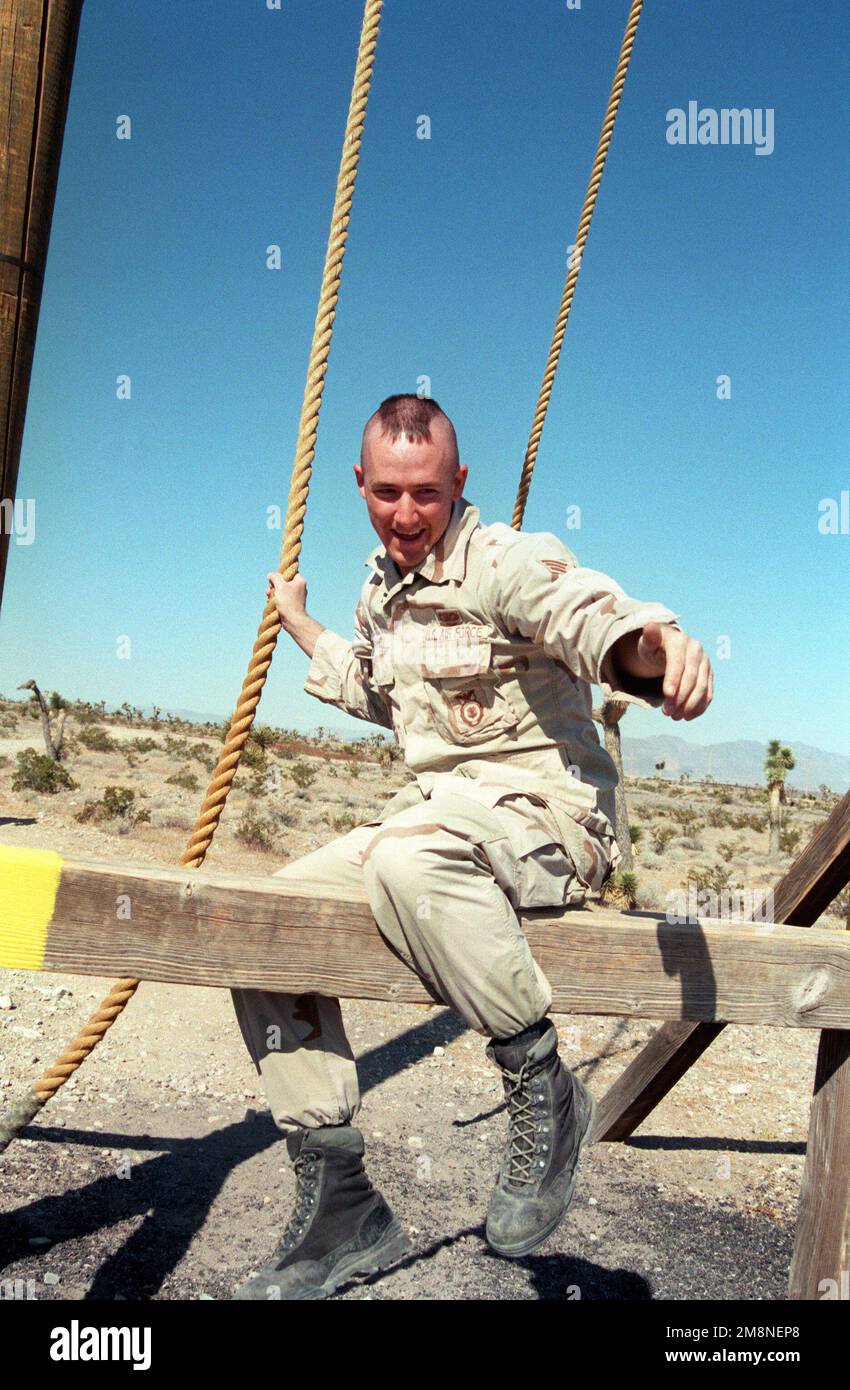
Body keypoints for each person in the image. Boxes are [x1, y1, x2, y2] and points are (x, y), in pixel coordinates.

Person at [231, 394, 713, 1300]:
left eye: (425, 493)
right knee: (263, 920)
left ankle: (543, 1085)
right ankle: (341, 1204)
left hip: (550, 820)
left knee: (410, 855)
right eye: (386, 494)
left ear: (459, 482)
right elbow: (380, 693)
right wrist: (299, 622)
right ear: (360, 486)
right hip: (439, 813)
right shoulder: (383, 591)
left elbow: (586, 615)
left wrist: (659, 646)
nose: (406, 515)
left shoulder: (506, 560)